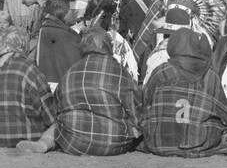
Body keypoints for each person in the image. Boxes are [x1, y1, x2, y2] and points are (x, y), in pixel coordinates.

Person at [140, 28, 227, 157]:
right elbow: (226, 113)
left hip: (159, 142)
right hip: (199, 141)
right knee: (221, 129)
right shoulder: (210, 76)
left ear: (172, 48)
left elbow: (145, 105)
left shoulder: (160, 72)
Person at [15, 27, 143, 155]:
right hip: (112, 144)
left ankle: (44, 144)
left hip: (74, 143)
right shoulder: (120, 73)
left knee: (57, 124)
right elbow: (135, 110)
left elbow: (58, 107)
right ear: (107, 47)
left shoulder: (70, 72)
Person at [0, 25, 57, 148]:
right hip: (26, 136)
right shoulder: (29, 69)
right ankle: (44, 144)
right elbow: (50, 115)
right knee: (60, 123)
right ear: (22, 44)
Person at [32, 0, 81, 90]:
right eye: (73, 10)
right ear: (62, 12)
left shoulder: (44, 30)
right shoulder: (65, 36)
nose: (76, 13)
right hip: (64, 90)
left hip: (45, 90)